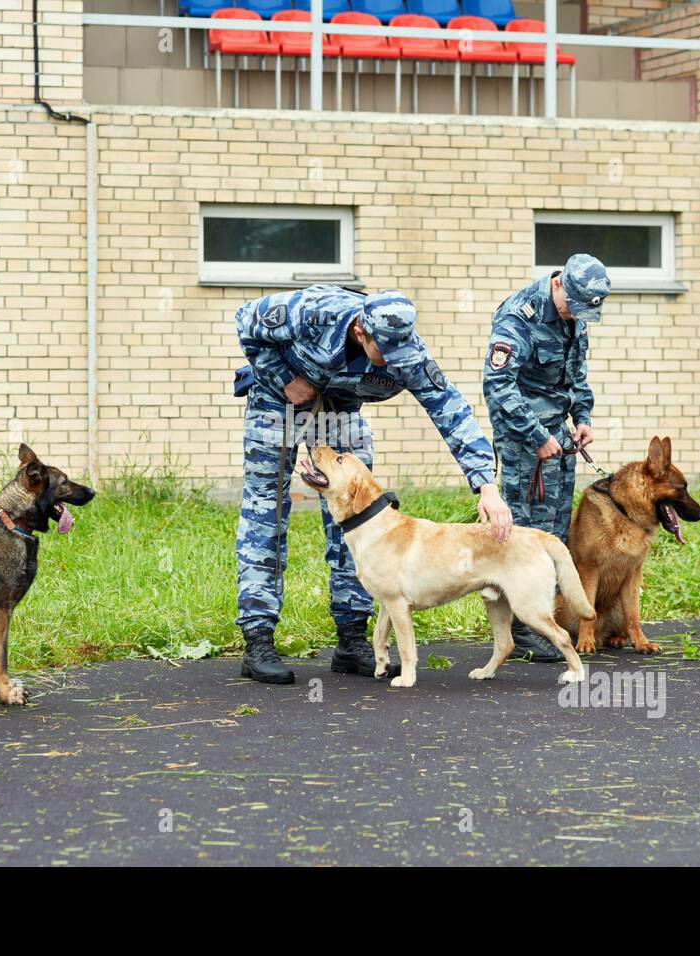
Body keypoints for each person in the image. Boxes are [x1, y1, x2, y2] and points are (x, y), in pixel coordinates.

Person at [234, 285, 513, 685]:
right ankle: (258, 639)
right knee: (266, 511)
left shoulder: (405, 350)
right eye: (386, 353)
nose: (394, 364)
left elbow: (450, 409)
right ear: (361, 332)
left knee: (361, 515)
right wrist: (284, 377)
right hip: (280, 400)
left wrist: (486, 485)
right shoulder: (313, 311)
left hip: (340, 409)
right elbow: (246, 320)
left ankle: (352, 640)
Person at [483, 253, 611, 662]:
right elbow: (498, 385)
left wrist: (583, 417)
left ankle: (544, 617)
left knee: (554, 530)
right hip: (525, 441)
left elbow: (576, 375)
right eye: (571, 306)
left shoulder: (575, 313)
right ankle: (522, 628)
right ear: (559, 284)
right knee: (526, 531)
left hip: (558, 435)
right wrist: (535, 435)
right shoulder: (518, 317)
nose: (575, 316)